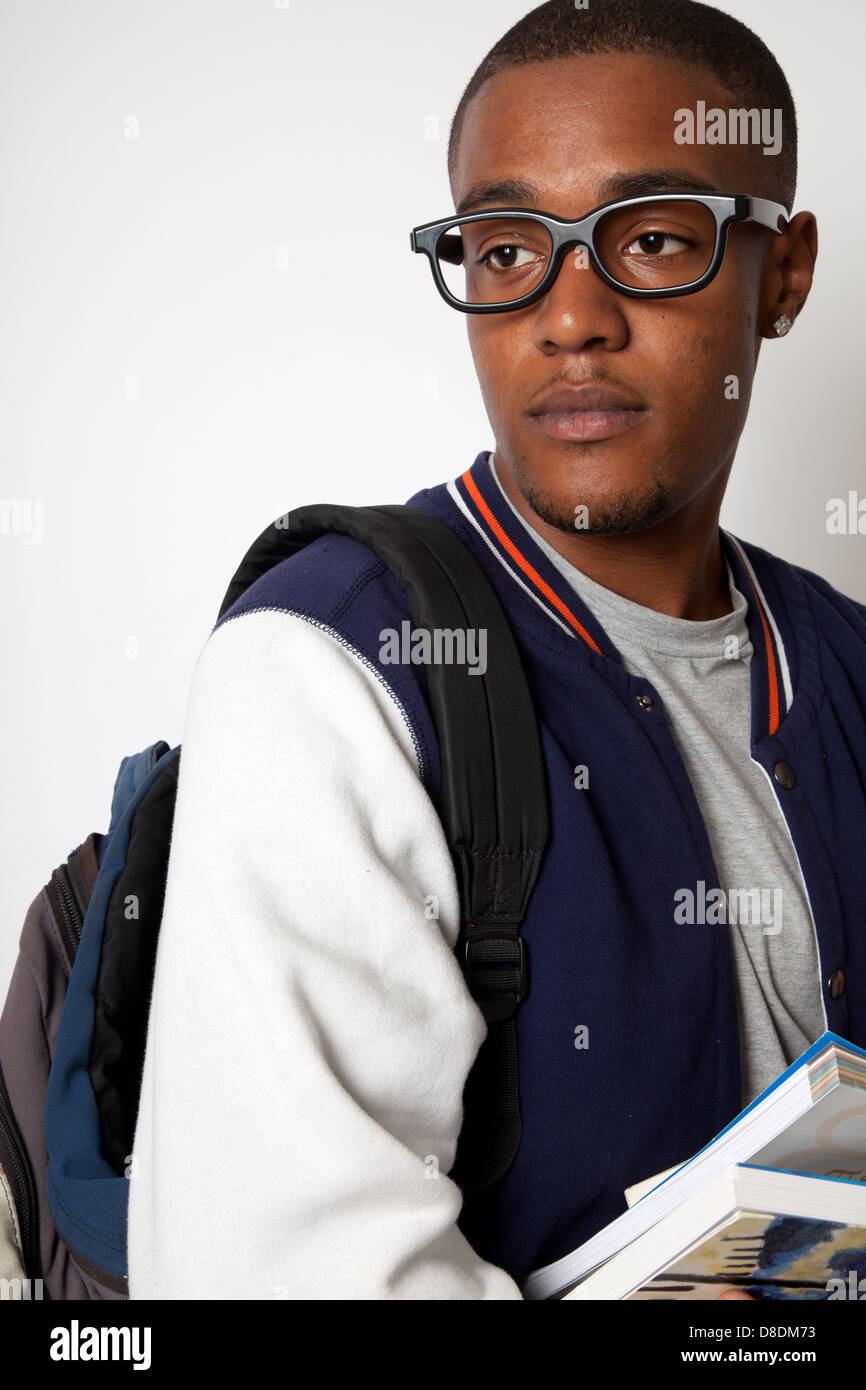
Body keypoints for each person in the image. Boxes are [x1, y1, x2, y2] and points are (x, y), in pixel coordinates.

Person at [128, 0, 862, 1300]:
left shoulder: (844, 659)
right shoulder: (332, 665)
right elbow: (271, 1277)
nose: (568, 315)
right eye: (509, 246)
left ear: (783, 275)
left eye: (648, 237)